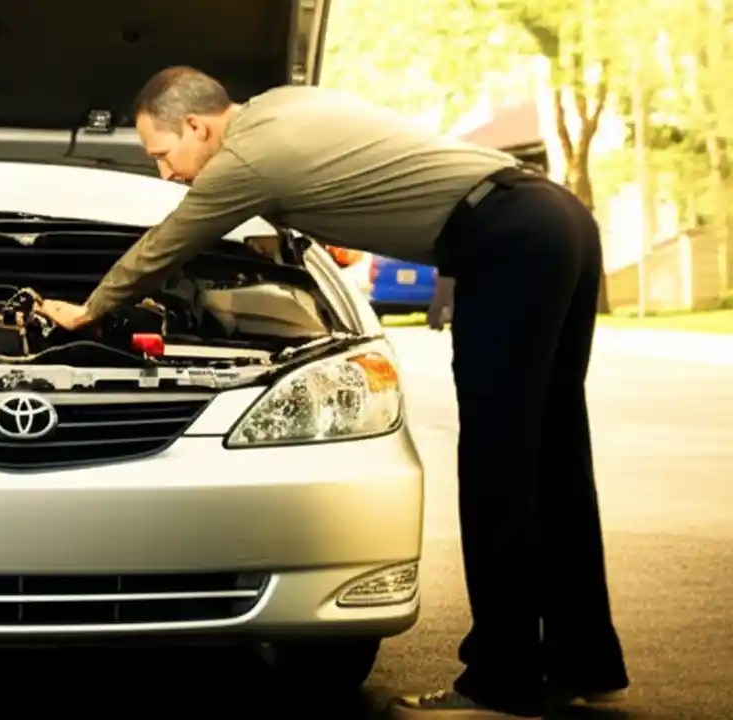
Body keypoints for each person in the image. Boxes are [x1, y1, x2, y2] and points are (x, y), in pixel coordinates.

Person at [36, 66, 630, 719]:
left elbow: (164, 247)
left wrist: (85, 312)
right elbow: (348, 172)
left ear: (198, 126)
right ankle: (583, 660)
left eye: (163, 154)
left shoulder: (244, 162)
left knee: (498, 462)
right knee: (553, 454)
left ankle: (502, 683)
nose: (166, 174)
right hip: (558, 218)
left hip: (507, 242)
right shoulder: (287, 106)